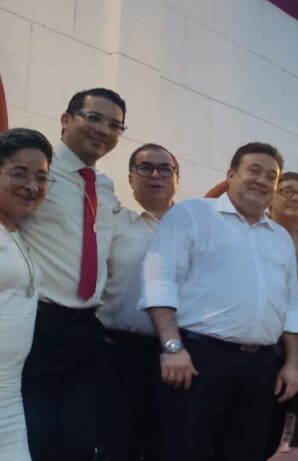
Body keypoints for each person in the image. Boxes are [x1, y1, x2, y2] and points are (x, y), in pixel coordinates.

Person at [140, 142, 298, 461]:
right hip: (197, 361)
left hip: (260, 368)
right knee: (185, 451)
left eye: (271, 176)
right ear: (231, 174)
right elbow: (158, 281)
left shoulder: (280, 237)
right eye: (253, 170)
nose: (262, 180)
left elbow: (291, 305)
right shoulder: (191, 214)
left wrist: (291, 364)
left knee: (246, 451)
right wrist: (172, 348)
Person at [19, 88, 126, 459]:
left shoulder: (107, 187)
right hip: (38, 325)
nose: (104, 130)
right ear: (66, 120)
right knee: (32, 436)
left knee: (79, 442)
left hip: (86, 331)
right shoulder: (37, 173)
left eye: (115, 125)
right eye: (93, 117)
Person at [98, 143, 179, 461]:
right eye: (145, 168)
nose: (155, 175)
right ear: (131, 179)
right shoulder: (113, 223)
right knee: (120, 442)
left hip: (181, 355)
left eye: (165, 168)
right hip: (120, 353)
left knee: (169, 443)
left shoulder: (194, 227)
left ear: (177, 179)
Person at [0, 128, 53, 460]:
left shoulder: (17, 233)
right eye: (19, 173)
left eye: (41, 177)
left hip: (9, 395)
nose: (32, 186)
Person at [265, 171, 298, 456]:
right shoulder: (258, 233)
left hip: (291, 347)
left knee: (274, 425)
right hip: (258, 342)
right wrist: (290, 282)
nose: (294, 197)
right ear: (271, 197)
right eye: (286, 190)